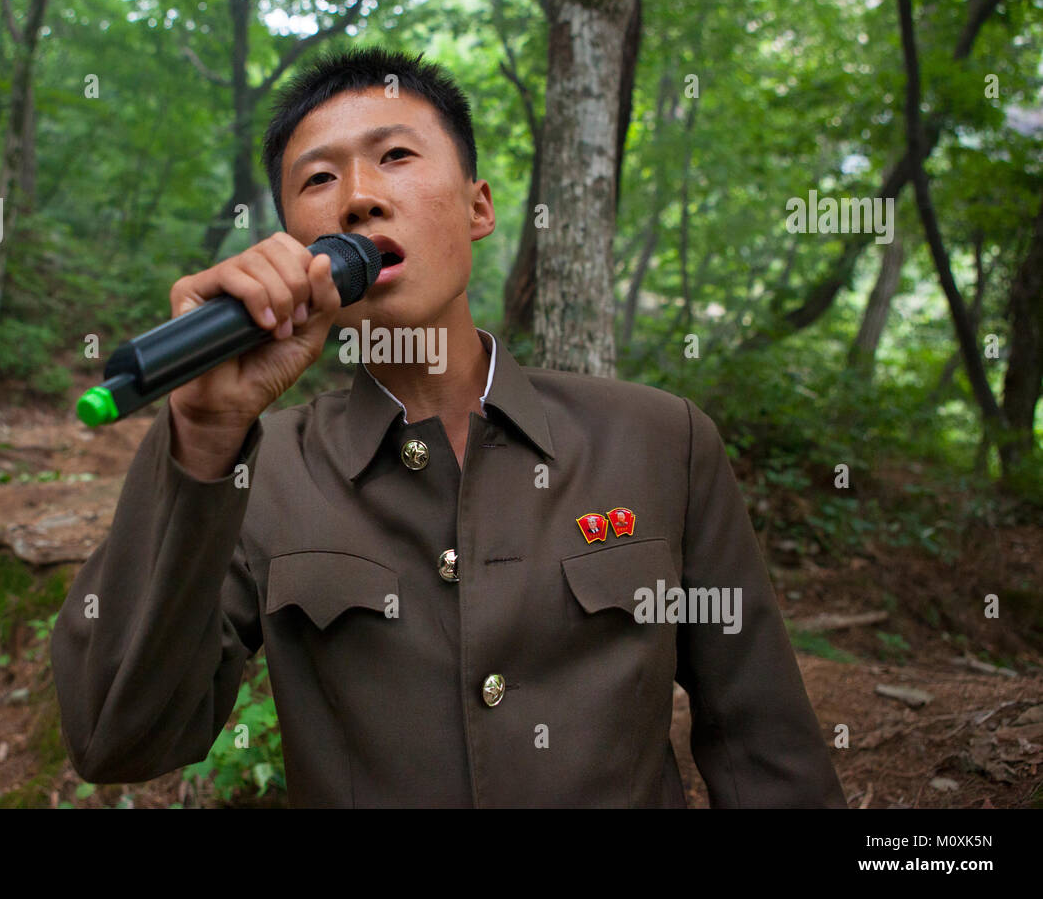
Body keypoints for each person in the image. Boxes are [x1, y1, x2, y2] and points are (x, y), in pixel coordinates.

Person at [50, 45, 847, 807]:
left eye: (395, 156)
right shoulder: (263, 474)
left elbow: (767, 751)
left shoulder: (657, 440)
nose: (358, 195)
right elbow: (120, 737)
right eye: (319, 177)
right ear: (295, 245)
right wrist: (204, 432)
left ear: (479, 207)